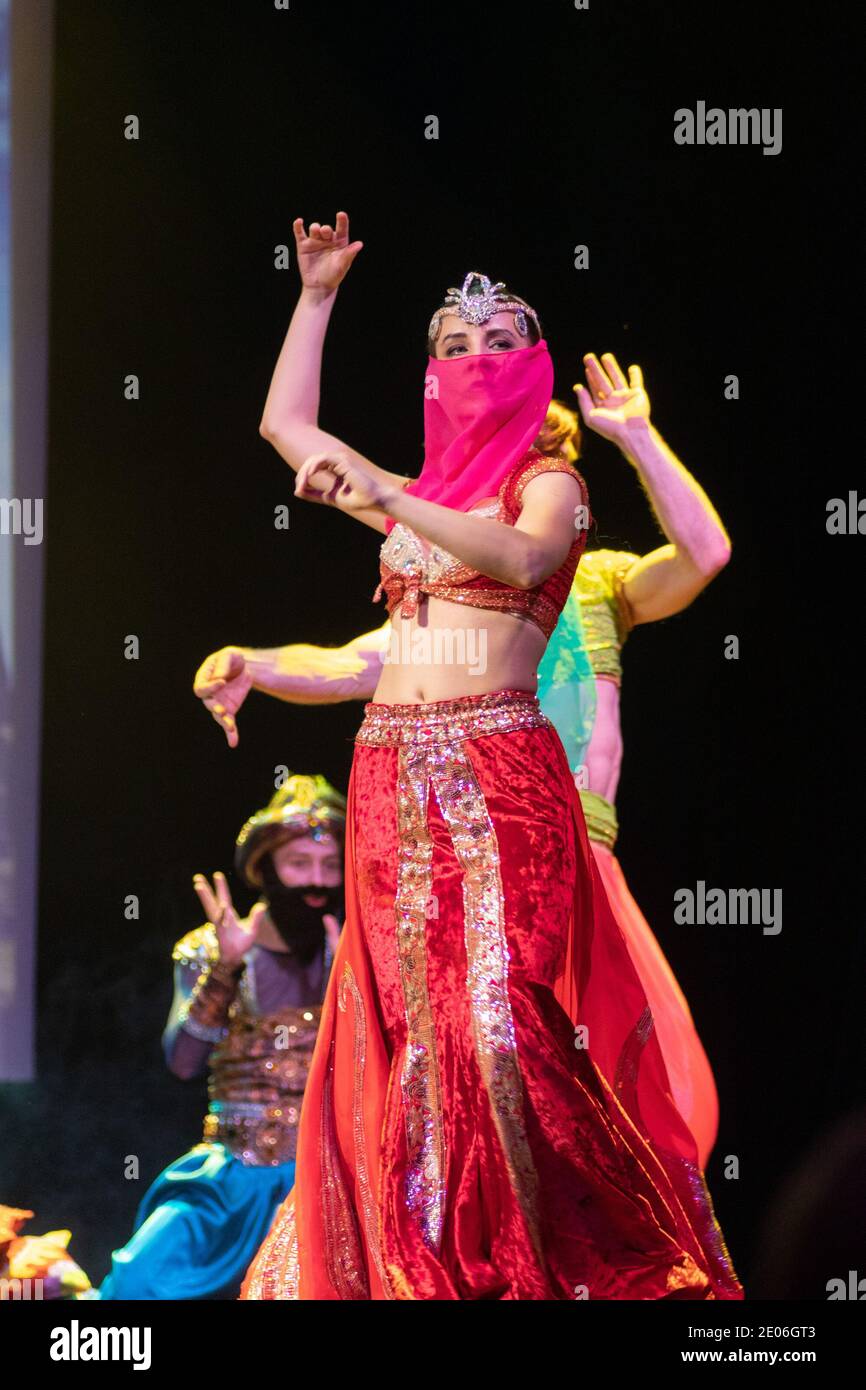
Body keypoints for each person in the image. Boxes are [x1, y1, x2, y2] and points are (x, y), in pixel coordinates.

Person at [223, 212, 743, 1299]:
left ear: (536, 368)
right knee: (404, 1029)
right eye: (451, 345)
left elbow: (519, 557)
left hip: (499, 774)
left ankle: (557, 1260)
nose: (473, 356)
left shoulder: (548, 486)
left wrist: (386, 497)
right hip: (384, 777)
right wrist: (315, 296)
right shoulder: (410, 496)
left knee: (498, 1023)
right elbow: (284, 422)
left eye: (498, 338)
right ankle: (423, 1258)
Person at [195, 395, 730, 1173]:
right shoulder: (443, 585)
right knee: (489, 1082)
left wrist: (642, 437)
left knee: (645, 1100)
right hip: (483, 863)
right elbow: (355, 663)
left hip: (582, 864)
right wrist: (256, 663)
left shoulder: (596, 584)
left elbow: (704, 555)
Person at [97, 773, 345, 1300]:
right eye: (299, 865)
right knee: (136, 1285)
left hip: (325, 1181)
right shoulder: (210, 949)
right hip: (230, 1177)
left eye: (330, 866)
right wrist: (225, 971)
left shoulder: (350, 951)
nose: (316, 882)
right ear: (267, 869)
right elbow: (183, 1062)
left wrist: (355, 982)